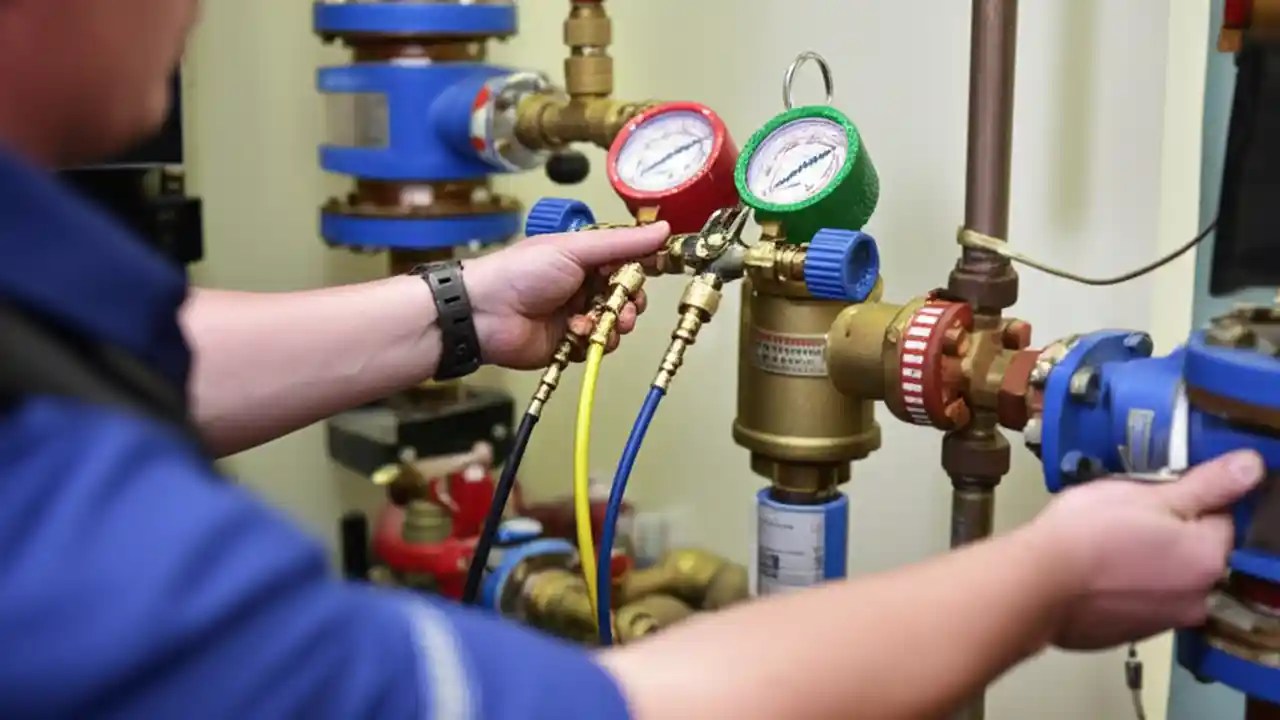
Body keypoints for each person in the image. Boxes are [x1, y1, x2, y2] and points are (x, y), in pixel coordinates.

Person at [0, 1, 1262, 718]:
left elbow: (152, 355)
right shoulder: (64, 527)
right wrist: (1043, 581)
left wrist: (463, 307)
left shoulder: (46, 347)